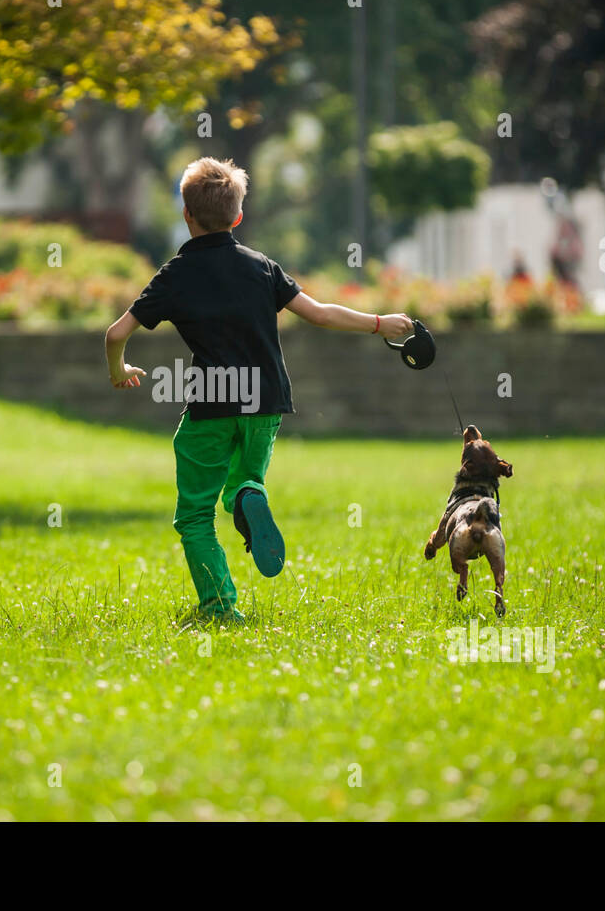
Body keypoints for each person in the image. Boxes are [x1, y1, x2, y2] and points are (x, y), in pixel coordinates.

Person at [103, 157, 412, 621]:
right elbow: (321, 313)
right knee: (244, 485)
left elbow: (115, 334)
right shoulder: (262, 267)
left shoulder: (174, 275)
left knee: (194, 516)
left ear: (186, 214)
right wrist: (379, 323)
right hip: (266, 402)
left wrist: (118, 369)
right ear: (239, 216)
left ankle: (221, 605)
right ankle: (248, 493)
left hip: (211, 403)